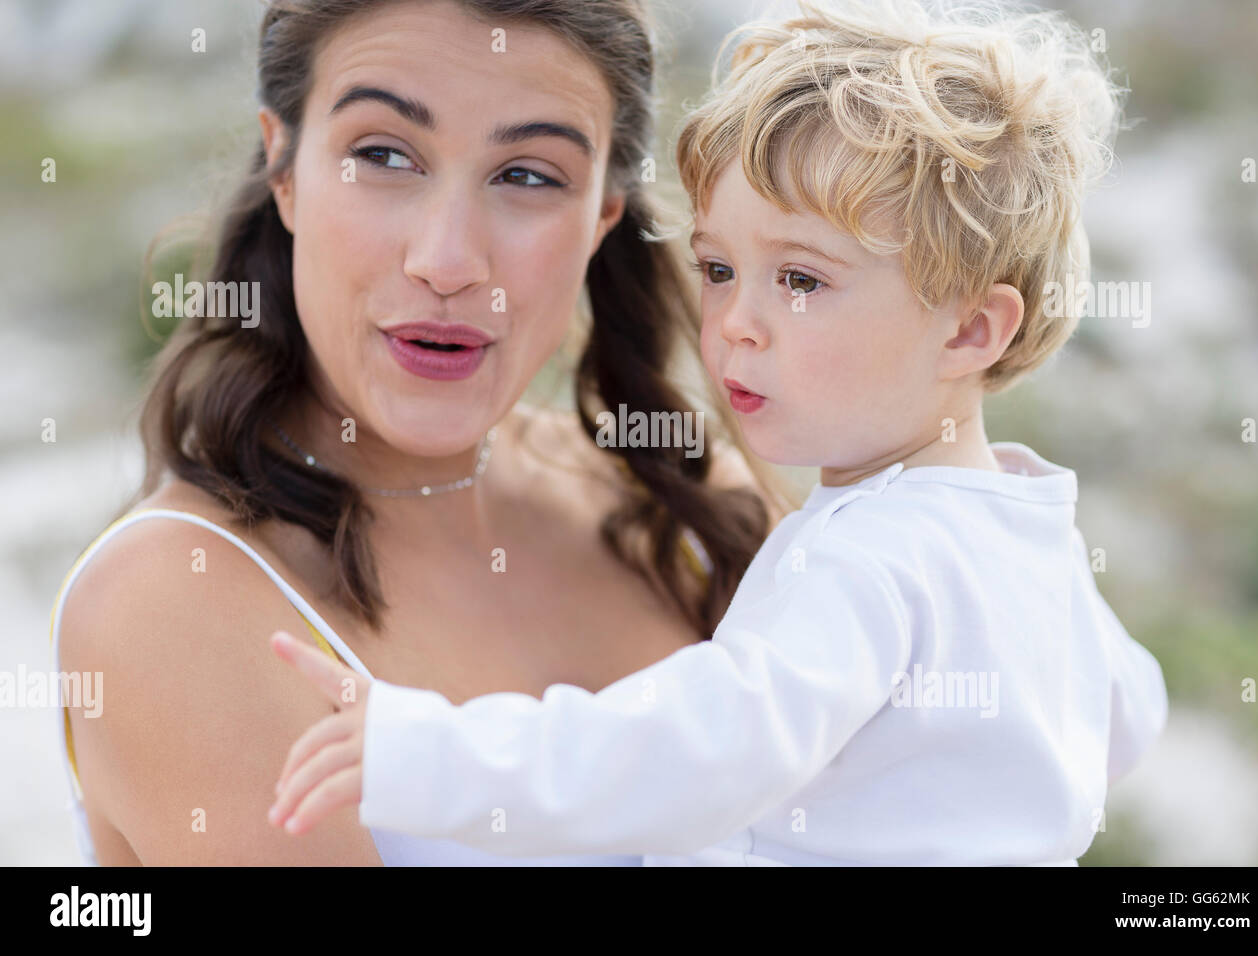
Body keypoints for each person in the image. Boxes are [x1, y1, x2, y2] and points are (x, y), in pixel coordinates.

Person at [266, 0, 1169, 866]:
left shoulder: (870, 558)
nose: (737, 320)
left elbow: (697, 754)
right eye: (721, 268)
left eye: (803, 281)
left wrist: (429, 757)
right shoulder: (1029, 533)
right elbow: (1129, 713)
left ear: (971, 331)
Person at [50, 0, 777, 866]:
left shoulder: (687, 517)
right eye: (383, 155)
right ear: (283, 170)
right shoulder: (175, 599)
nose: (447, 260)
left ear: (605, 217)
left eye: (529, 175)